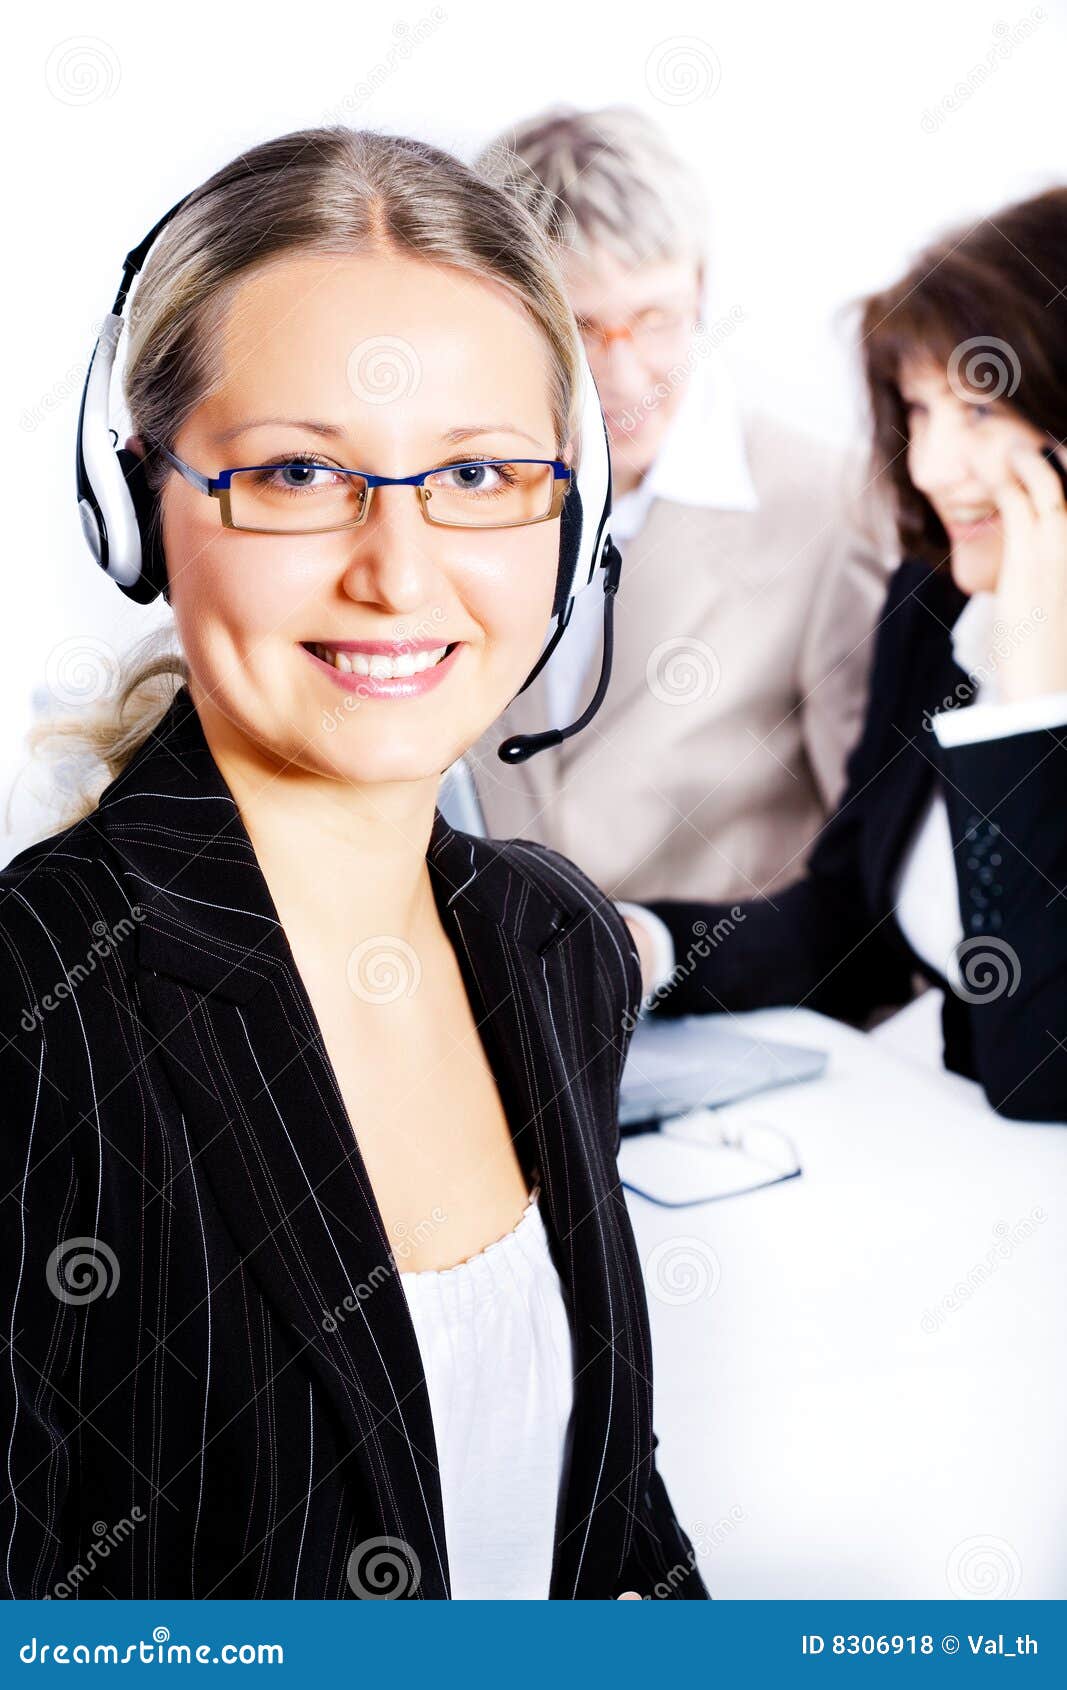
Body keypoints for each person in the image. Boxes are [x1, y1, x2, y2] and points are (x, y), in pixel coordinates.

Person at [0, 126, 708, 1600]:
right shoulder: (38, 1006)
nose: (397, 570)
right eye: (298, 470)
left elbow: (615, 1535)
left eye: (478, 471)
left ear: (568, 519)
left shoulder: (551, 941)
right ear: (138, 510)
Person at [637, 188, 1067, 1124]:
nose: (931, 467)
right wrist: (638, 949)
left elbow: (1044, 1068)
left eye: (979, 410)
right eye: (920, 410)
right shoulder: (939, 604)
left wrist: (1034, 708)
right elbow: (852, 927)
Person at [463, 104, 893, 988]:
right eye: (579, 328)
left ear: (699, 289)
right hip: (488, 1020)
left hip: (731, 1020)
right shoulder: (444, 495)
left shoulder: (831, 507)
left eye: (655, 319)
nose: (623, 375)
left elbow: (875, 882)